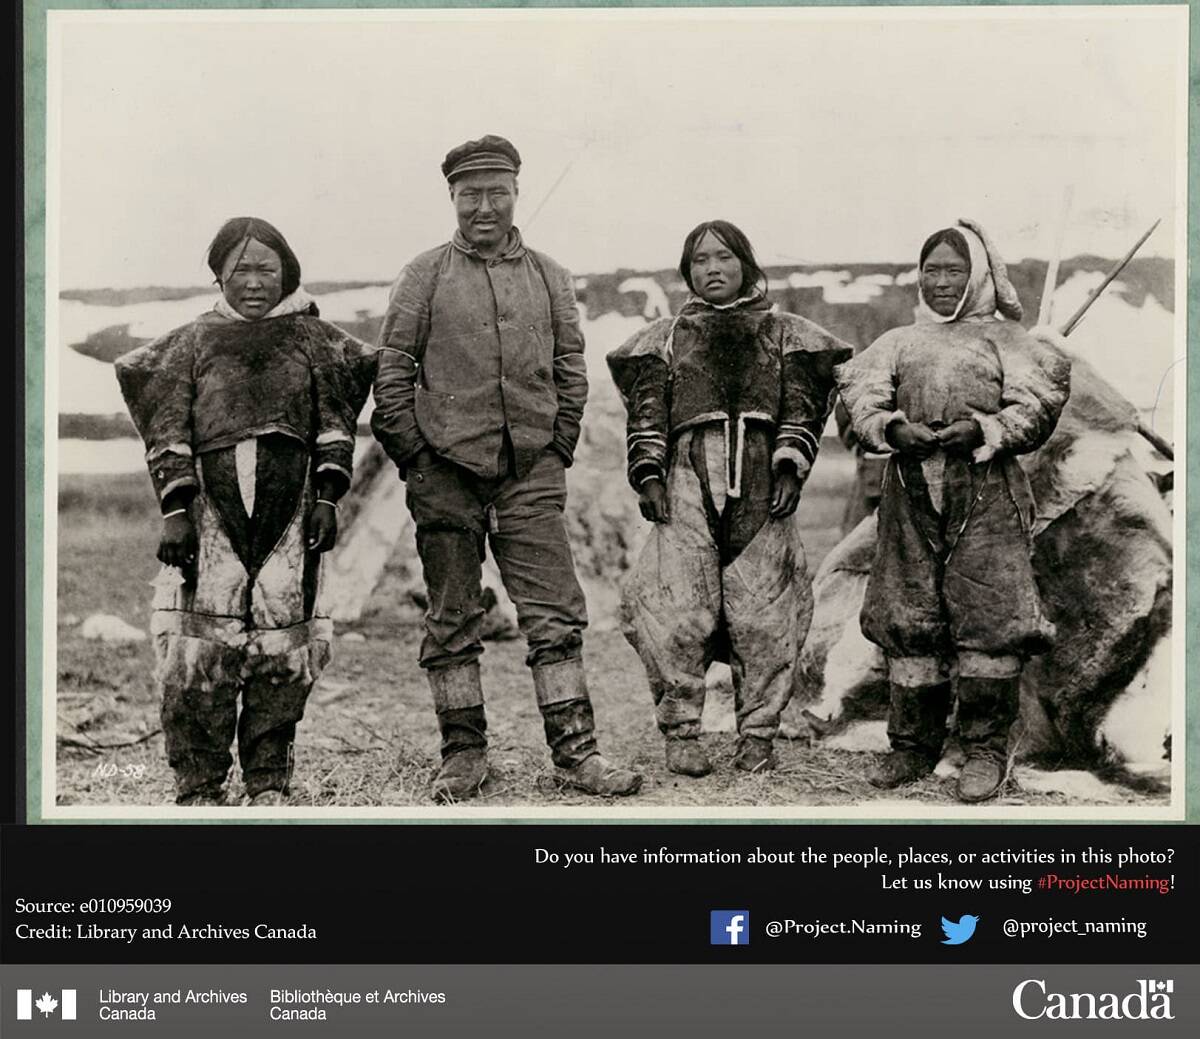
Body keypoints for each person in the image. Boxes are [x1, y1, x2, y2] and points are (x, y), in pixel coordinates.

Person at [370, 134, 642, 802]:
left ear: (516, 194)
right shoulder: (423, 275)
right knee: (452, 613)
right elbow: (393, 370)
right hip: (446, 475)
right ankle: (463, 755)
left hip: (530, 472)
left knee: (554, 613)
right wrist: (417, 460)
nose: (484, 208)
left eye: (497, 193)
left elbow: (572, 366)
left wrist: (558, 447)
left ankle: (578, 754)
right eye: (471, 195)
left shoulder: (550, 276)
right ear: (453, 199)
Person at [115, 217, 376, 806]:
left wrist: (328, 501)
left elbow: (335, 424)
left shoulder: (316, 342)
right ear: (219, 276)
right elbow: (167, 427)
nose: (255, 282)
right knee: (197, 645)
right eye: (242, 270)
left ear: (287, 274)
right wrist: (175, 510)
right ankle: (199, 785)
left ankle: (267, 781)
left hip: (292, 515)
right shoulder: (193, 343)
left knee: (286, 644)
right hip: (210, 516)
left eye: (267, 269)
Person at [835, 219, 1071, 802]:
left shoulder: (1011, 342)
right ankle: (911, 747)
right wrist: (892, 427)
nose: (940, 282)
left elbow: (1037, 403)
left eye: (954, 270)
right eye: (931, 270)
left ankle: (985, 750)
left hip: (986, 490)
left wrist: (984, 428)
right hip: (910, 490)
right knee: (908, 611)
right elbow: (860, 394)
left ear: (979, 277)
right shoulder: (899, 341)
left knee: (990, 613)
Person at [607, 220, 851, 776]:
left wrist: (792, 464)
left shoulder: (786, 332)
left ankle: (758, 733)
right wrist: (648, 473)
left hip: (762, 482)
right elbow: (647, 407)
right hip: (687, 479)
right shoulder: (665, 338)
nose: (712, 268)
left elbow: (804, 401)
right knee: (674, 606)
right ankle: (682, 731)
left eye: (723, 256)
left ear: (745, 262)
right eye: (699, 260)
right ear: (686, 271)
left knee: (766, 612)